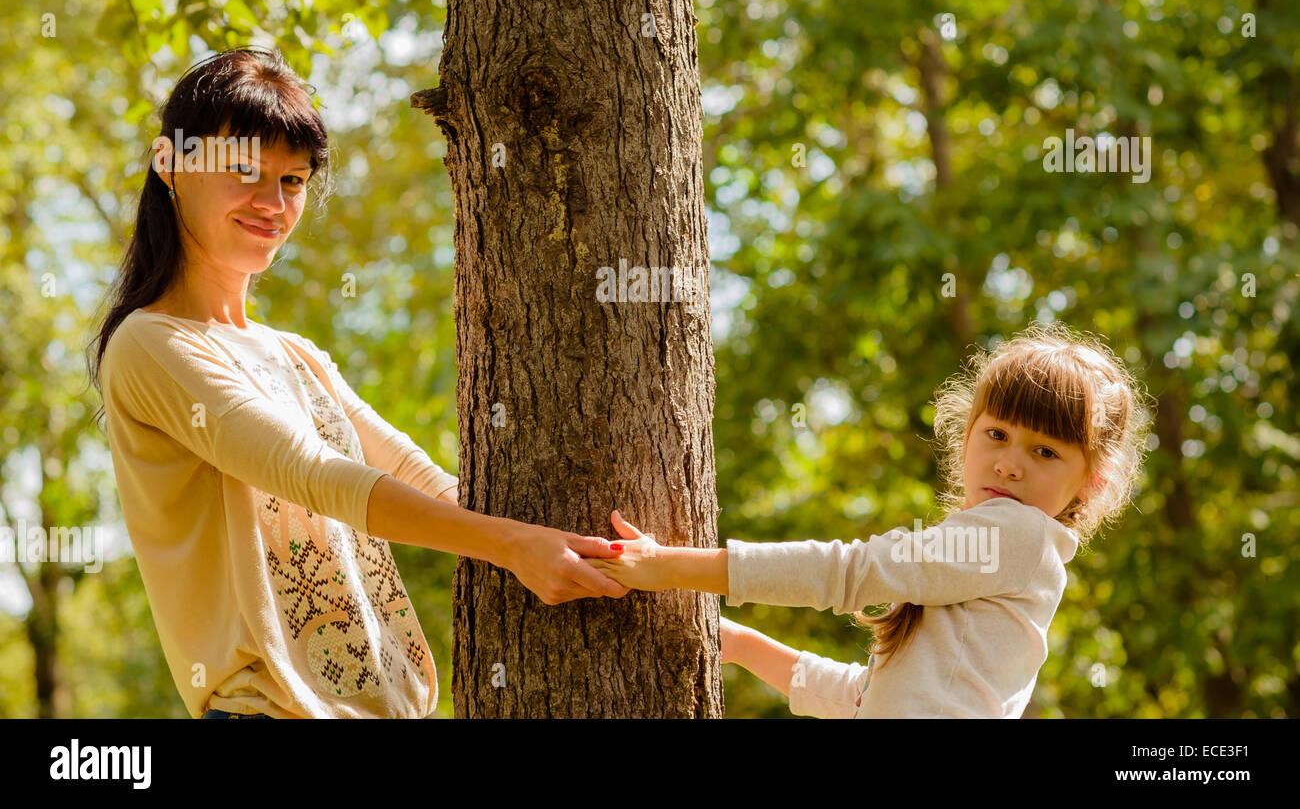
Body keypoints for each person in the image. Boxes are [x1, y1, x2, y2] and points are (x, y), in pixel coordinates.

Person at [87, 47, 628, 719]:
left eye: (291, 180)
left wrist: (586, 563)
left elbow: (413, 470)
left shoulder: (297, 354)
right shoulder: (152, 344)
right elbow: (309, 470)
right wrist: (512, 545)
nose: (271, 202)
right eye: (243, 172)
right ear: (170, 164)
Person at [586, 323, 1152, 717]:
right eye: (997, 434)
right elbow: (870, 699)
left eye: (1045, 452)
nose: (1009, 463)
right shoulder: (995, 563)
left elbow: (850, 572)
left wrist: (667, 566)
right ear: (967, 432)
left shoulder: (1018, 536)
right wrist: (736, 642)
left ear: (1091, 480)